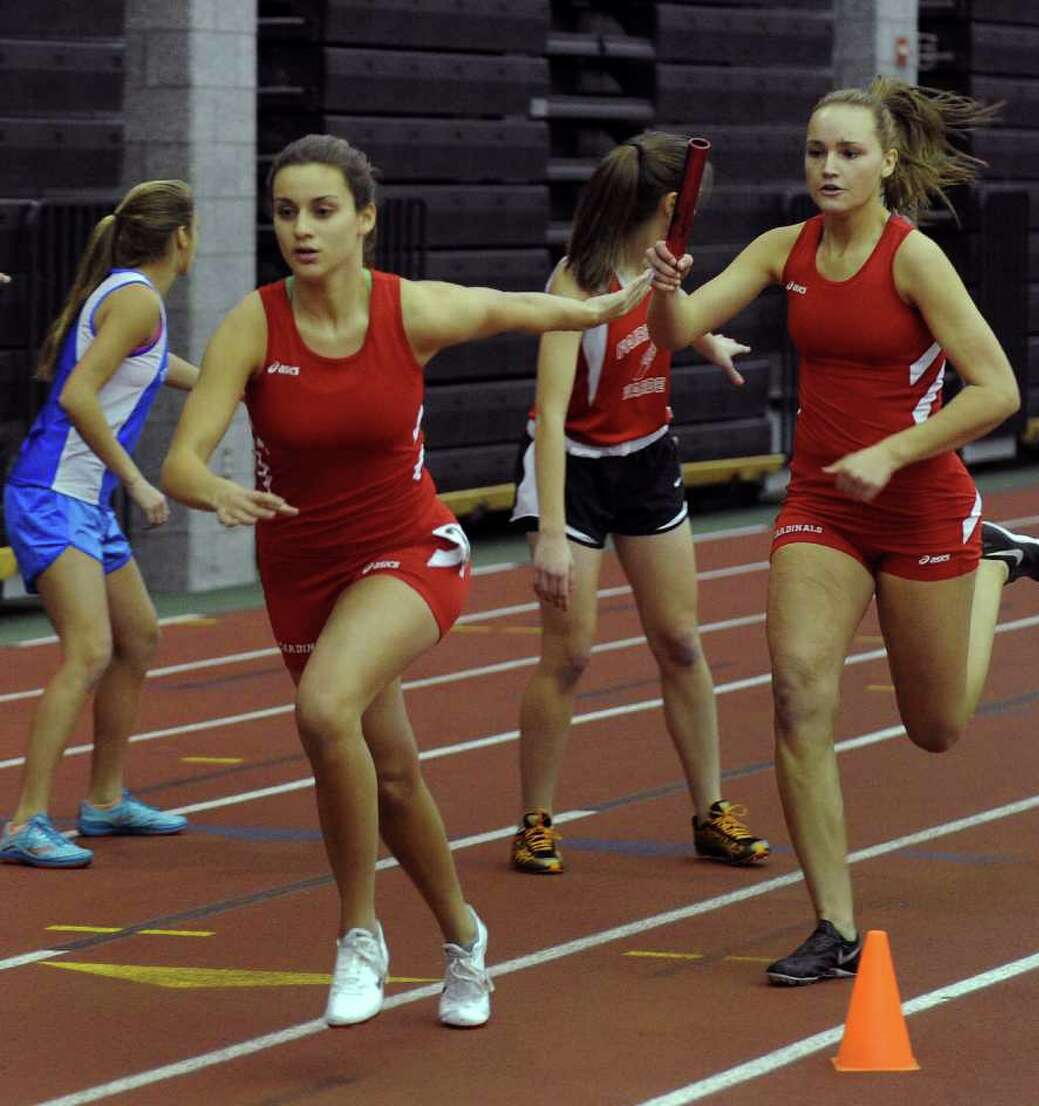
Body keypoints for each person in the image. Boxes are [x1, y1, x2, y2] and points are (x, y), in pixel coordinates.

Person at [161, 134, 653, 1029]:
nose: (302, 230)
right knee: (390, 776)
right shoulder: (252, 324)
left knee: (321, 711)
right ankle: (465, 937)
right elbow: (181, 463)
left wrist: (618, 300)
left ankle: (359, 936)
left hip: (408, 549)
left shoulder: (410, 311)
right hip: (301, 570)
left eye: (321, 211)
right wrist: (219, 491)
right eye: (285, 212)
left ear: (364, 219)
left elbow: (517, 311)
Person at [644, 78, 1039, 986]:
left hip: (919, 507)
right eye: (815, 152)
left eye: (847, 153)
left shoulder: (914, 260)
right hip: (822, 506)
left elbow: (998, 391)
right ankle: (832, 925)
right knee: (797, 693)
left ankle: (991, 567)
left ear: (887, 162)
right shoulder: (780, 248)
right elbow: (675, 331)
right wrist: (666, 288)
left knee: (936, 729)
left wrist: (896, 451)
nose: (827, 169)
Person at [508, 132, 770, 875]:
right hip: (576, 470)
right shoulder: (575, 284)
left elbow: (663, 325)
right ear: (667, 206)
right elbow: (552, 415)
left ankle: (711, 810)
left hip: (648, 459)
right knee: (571, 654)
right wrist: (552, 533)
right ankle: (535, 820)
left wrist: (706, 340)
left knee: (683, 643)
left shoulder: (666, 271)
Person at [1, 180, 199, 869]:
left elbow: (144, 366)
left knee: (138, 637)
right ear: (183, 238)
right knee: (89, 651)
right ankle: (24, 821)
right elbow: (82, 391)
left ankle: (106, 801)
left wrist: (226, 381)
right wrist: (139, 479)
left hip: (82, 499)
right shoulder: (136, 297)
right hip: (53, 496)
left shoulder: (131, 298)